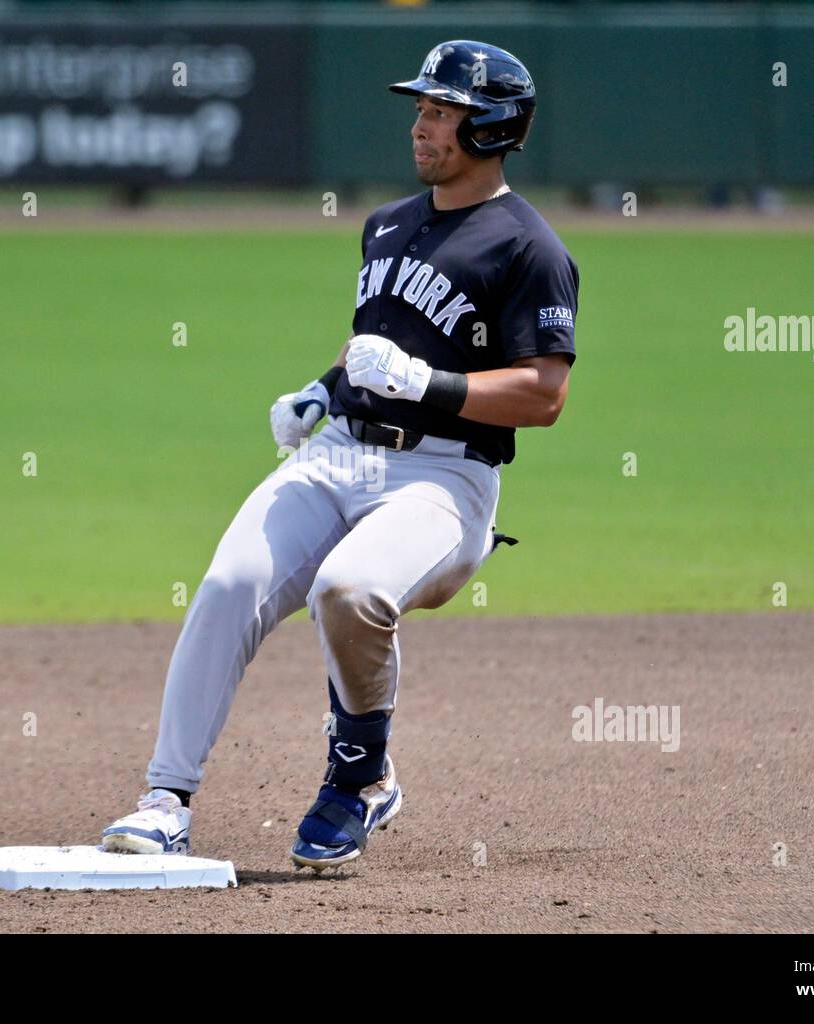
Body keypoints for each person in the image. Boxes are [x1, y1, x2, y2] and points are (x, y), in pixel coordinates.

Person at [102, 40, 578, 872]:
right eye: (422, 110)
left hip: (444, 479)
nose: (420, 127)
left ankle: (358, 779)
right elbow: (381, 341)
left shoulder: (528, 248)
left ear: (491, 128)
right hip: (337, 455)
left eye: (440, 113)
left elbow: (544, 394)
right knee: (227, 584)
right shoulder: (388, 224)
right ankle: (164, 802)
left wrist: (427, 384)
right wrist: (324, 389)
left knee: (348, 589)